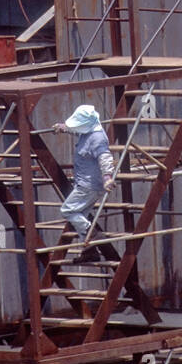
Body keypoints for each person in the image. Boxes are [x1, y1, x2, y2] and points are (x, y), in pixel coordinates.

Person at [53, 104, 115, 259]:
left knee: (67, 210)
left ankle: (93, 236)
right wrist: (64, 127)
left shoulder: (98, 138)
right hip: (85, 183)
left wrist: (107, 177)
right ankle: (89, 251)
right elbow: (79, 130)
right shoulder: (88, 132)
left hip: (89, 185)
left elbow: (105, 157)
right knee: (81, 215)